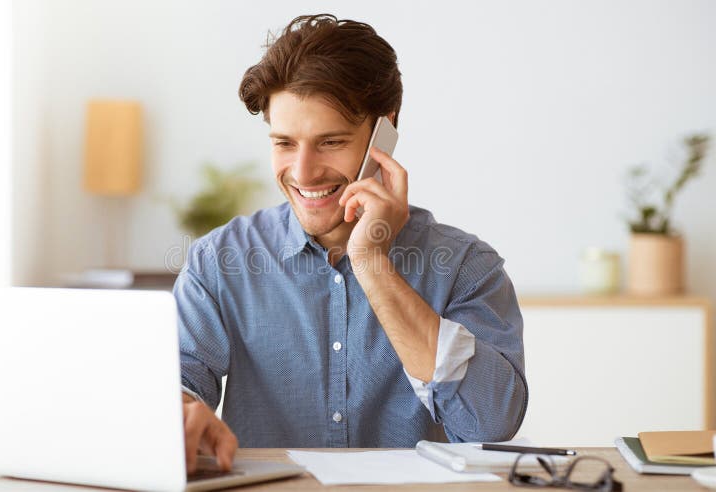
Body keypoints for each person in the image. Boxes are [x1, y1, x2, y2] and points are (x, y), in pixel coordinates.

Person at [175, 13, 527, 473]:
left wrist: (372, 261)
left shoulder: (465, 266)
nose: (303, 173)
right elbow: (178, 382)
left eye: (330, 142)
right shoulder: (219, 262)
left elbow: (490, 424)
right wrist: (175, 412)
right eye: (284, 143)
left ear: (386, 131)